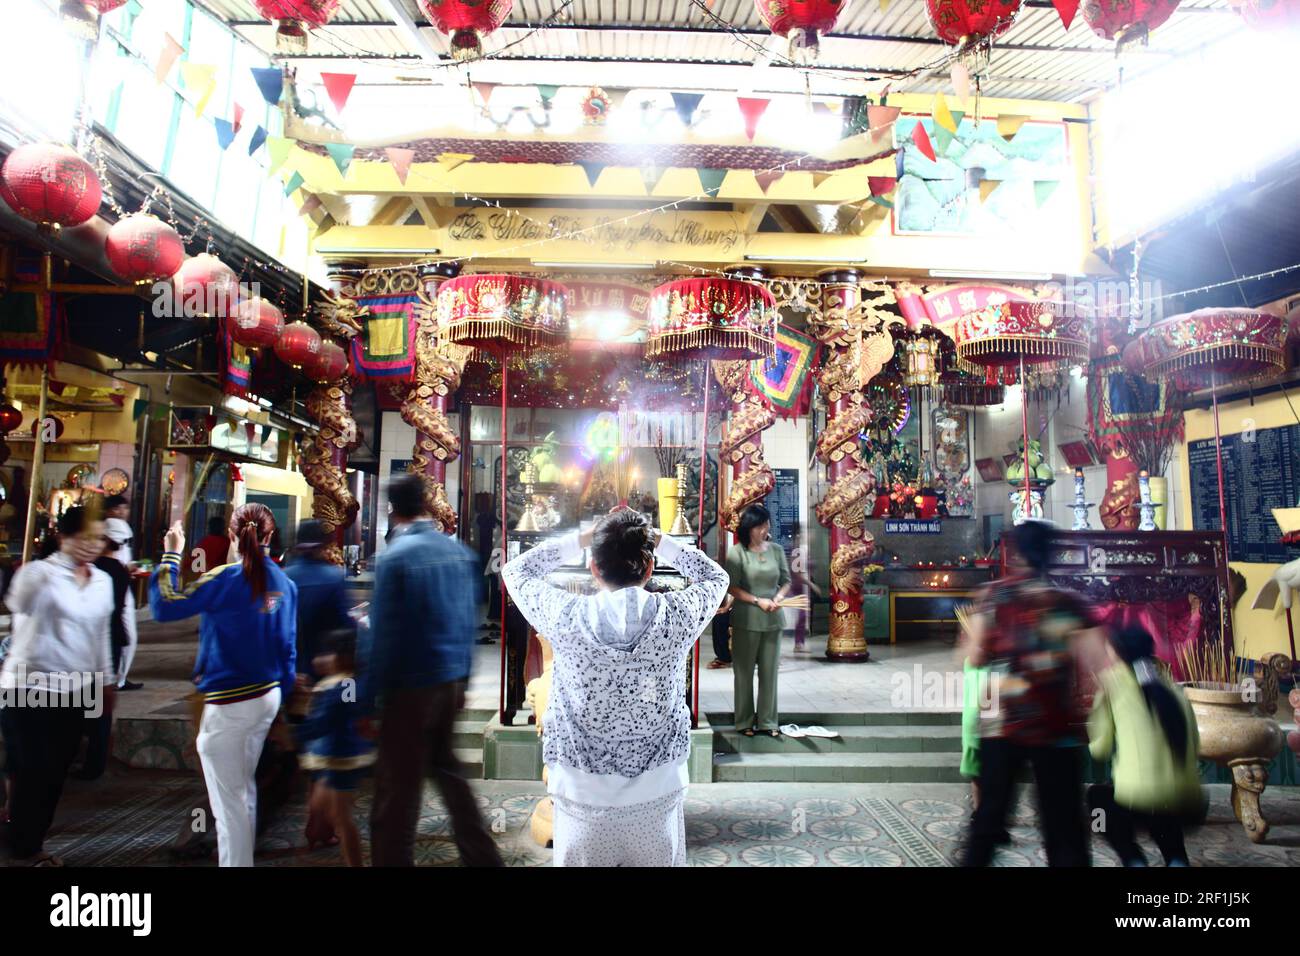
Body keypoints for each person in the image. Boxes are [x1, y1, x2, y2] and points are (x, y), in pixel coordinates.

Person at [502, 507, 729, 867]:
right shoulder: (677, 616)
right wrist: (658, 539)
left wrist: (582, 538)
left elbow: (516, 570)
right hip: (658, 791)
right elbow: (716, 578)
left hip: (580, 794)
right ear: (649, 568)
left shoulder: (566, 616)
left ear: (594, 568)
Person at [362, 473, 502, 867]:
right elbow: (467, 622)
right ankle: (484, 858)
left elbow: (382, 636)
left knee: (396, 795)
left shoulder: (395, 557)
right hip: (447, 685)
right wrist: (463, 682)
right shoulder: (459, 553)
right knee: (450, 775)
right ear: (425, 503)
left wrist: (367, 700)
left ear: (393, 510)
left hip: (408, 689)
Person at [149, 504, 297, 868]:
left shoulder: (225, 578)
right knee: (241, 794)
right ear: (270, 535)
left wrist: (171, 553)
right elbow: (288, 649)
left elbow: (165, 606)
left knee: (229, 803)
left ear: (232, 535)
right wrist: (284, 704)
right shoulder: (286, 584)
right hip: (267, 697)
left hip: (228, 702)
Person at [960, 519, 1100, 868]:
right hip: (1055, 725)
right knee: (1064, 822)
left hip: (1001, 724)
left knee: (990, 816)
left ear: (1016, 552)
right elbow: (1098, 665)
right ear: (1052, 555)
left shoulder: (993, 596)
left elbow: (974, 655)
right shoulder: (1068, 603)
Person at [1, 505, 114, 865]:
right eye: (84, 538)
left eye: (97, 538)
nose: (91, 545)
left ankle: (27, 836)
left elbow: (100, 636)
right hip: (30, 685)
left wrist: (106, 682)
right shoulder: (38, 574)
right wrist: (36, 576)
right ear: (63, 537)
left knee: (57, 770)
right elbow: (17, 606)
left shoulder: (103, 582)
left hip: (78, 688)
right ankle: (27, 847)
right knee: (34, 767)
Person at [1087, 625, 1202, 867]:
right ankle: (1177, 859)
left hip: (1138, 800)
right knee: (1162, 805)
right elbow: (1196, 745)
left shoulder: (1111, 684)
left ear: (1117, 654)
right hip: (1191, 803)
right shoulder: (1172, 686)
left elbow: (1099, 750)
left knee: (1098, 799)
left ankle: (1133, 859)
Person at [283, 518, 354, 849]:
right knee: (325, 758)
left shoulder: (282, 577)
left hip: (286, 676)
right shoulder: (331, 578)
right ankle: (320, 827)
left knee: (292, 751)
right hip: (321, 677)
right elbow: (343, 628)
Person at [296, 628, 373, 867]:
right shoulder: (342, 682)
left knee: (341, 819)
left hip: (340, 758)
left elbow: (336, 713)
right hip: (330, 758)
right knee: (321, 807)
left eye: (330, 653)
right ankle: (318, 834)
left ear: (344, 657)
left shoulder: (345, 684)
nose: (323, 658)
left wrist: (291, 735)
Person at [725, 504, 791, 738]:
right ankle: (743, 721)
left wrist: (778, 597)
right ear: (749, 528)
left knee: (769, 672)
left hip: (773, 619)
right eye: (760, 526)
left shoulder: (776, 550)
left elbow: (786, 580)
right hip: (746, 619)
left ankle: (768, 722)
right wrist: (757, 600)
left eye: (767, 525)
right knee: (743, 673)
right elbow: (731, 586)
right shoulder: (737, 553)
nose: (765, 529)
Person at [75, 531, 136, 780]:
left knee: (87, 704)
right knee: (98, 707)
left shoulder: (94, 571)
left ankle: (86, 760)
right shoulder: (118, 570)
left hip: (93, 640)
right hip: (110, 638)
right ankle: (95, 762)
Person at [103, 495, 142, 690]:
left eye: (124, 509)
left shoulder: (121, 531)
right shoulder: (109, 527)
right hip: (115, 591)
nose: (122, 512)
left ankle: (119, 677)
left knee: (125, 636)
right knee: (121, 634)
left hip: (122, 588)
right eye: (118, 508)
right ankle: (116, 678)